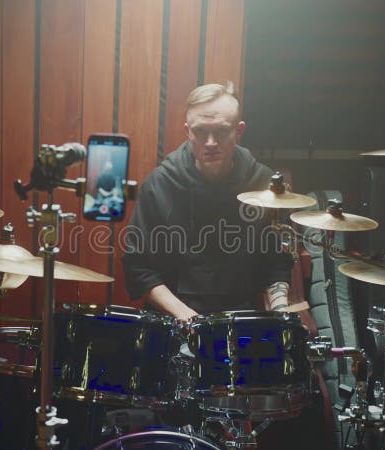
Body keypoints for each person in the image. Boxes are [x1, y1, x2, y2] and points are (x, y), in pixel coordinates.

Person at [122, 81, 292, 320]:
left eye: (221, 131)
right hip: (175, 319)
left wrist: (281, 314)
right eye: (201, 132)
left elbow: (277, 262)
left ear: (239, 131)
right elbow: (138, 266)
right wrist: (191, 320)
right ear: (187, 131)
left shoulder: (264, 183)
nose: (211, 143)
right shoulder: (160, 183)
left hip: (242, 319)